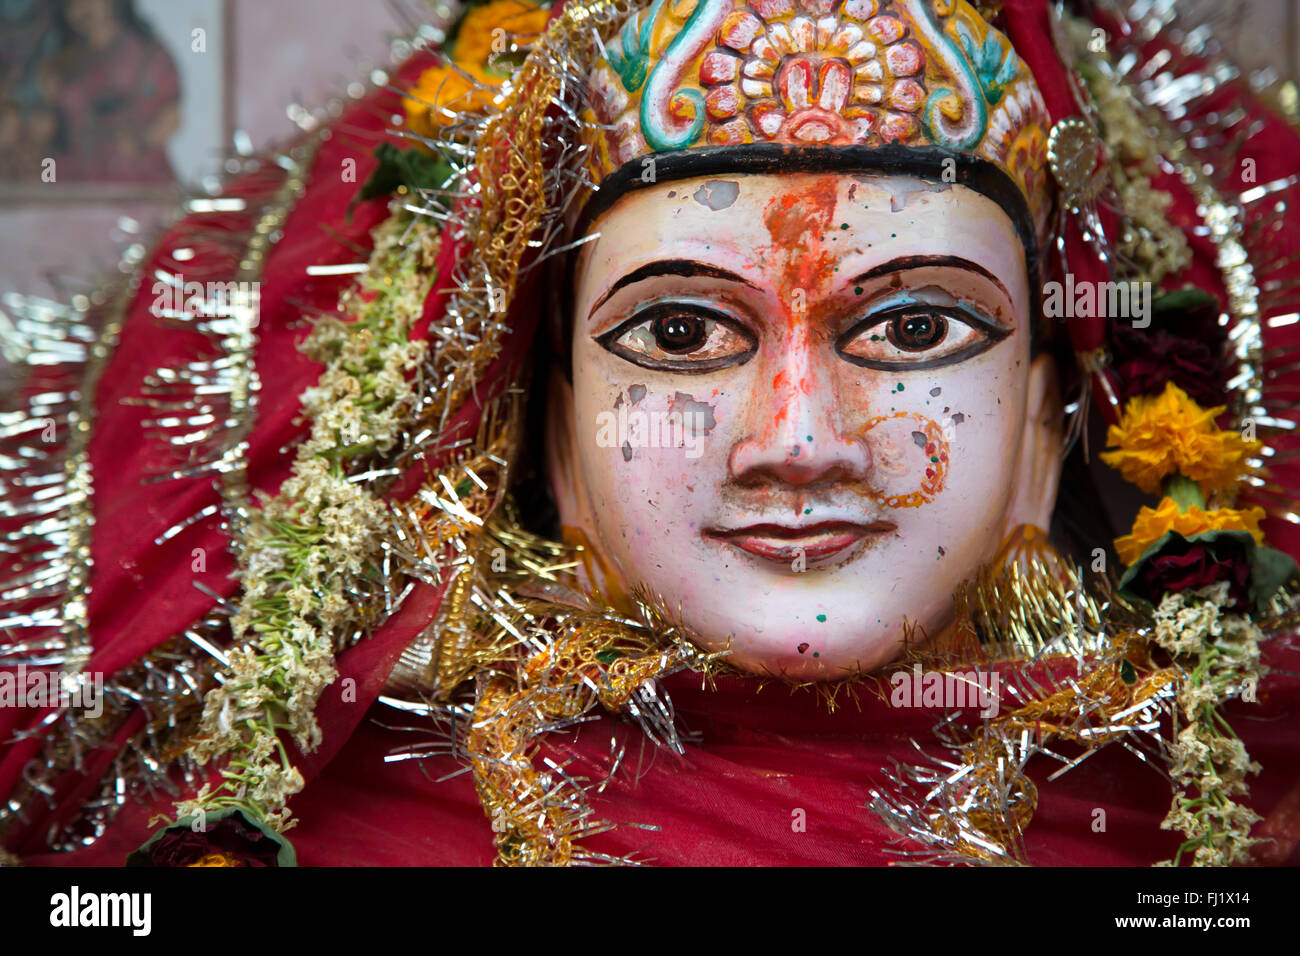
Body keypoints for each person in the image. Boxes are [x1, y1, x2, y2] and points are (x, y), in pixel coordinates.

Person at [1, 0, 1299, 867]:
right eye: (680, 336)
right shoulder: (341, 828)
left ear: (1045, 428)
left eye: (912, 334)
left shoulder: (1207, 818)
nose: (797, 441)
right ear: (548, 427)